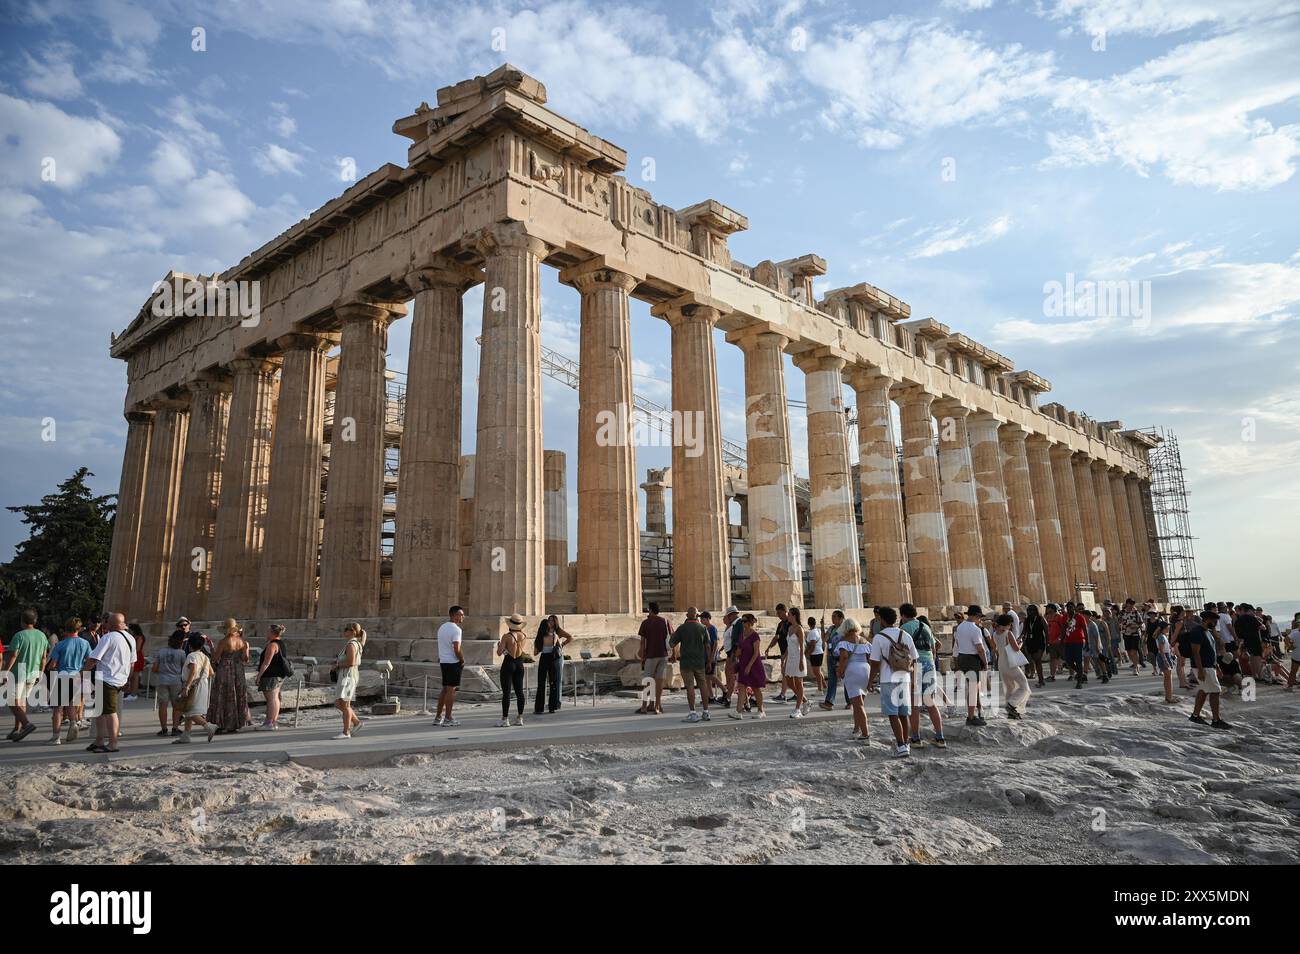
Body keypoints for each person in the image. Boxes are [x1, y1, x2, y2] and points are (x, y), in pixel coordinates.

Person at [81, 612, 135, 753]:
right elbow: (132, 662)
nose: (104, 624)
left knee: (110, 712)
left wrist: (82, 673)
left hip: (107, 679)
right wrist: (128, 679)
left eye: (106, 622)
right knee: (99, 711)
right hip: (118, 679)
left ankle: (113, 743)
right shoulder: (130, 638)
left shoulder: (108, 637)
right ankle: (99, 741)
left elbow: (94, 659)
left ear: (111, 624)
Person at [869, 607, 917, 757]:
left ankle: (900, 745)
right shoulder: (905, 635)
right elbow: (914, 658)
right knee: (904, 714)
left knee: (893, 714)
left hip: (887, 678)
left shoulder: (879, 637)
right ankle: (906, 745)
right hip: (904, 677)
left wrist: (870, 680)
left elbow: (875, 663)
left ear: (882, 619)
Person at [899, 604, 945, 748]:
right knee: (930, 702)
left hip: (916, 665)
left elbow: (901, 649)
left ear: (903, 615)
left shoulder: (905, 628)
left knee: (914, 704)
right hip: (929, 663)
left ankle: (915, 738)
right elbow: (933, 647)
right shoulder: (925, 626)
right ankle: (940, 737)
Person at [6, 608, 48, 742]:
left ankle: (26, 724)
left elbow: (13, 655)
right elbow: (44, 657)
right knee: (22, 701)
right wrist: (41, 672)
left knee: (13, 701)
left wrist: (5, 671)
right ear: (35, 621)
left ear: (22, 621)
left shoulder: (19, 635)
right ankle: (17, 729)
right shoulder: (42, 636)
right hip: (33, 673)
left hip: (19, 673)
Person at [46, 618, 91, 745]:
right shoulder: (85, 643)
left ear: (66, 629)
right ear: (79, 629)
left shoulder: (60, 644)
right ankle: (73, 723)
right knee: (71, 703)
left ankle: (56, 737)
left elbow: (53, 664)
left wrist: (51, 668)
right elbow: (90, 660)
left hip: (63, 676)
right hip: (77, 676)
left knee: (57, 709)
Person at [207, 619, 250, 734]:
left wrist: (211, 649)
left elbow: (215, 658)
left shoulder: (224, 641)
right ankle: (235, 723)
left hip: (225, 669)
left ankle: (222, 724)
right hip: (239, 670)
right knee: (237, 694)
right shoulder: (243, 642)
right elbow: (246, 659)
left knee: (223, 694)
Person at [1188, 611, 1231, 729]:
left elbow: (1211, 650)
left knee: (1204, 689)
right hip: (1203, 667)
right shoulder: (1197, 632)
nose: (1216, 623)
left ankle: (1195, 716)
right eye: (1214, 621)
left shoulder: (1208, 632)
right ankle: (1216, 720)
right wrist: (1201, 670)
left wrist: (1216, 666)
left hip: (1209, 666)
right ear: (1207, 620)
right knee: (1215, 691)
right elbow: (1195, 653)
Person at [173, 633, 217, 743]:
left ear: (190, 645)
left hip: (193, 686)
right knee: (189, 710)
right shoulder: (205, 657)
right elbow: (211, 673)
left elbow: (193, 671)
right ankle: (186, 735)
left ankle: (209, 726)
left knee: (191, 712)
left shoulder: (192, 656)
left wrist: (186, 687)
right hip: (203, 685)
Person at [670, 607, 712, 722]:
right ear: (697, 616)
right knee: (703, 686)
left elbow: (671, 643)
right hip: (700, 662)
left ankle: (693, 713)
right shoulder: (703, 628)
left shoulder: (682, 628)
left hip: (686, 662)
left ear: (687, 615)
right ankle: (706, 712)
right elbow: (708, 646)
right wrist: (709, 661)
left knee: (690, 687)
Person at [953, 605, 990, 726]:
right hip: (972, 658)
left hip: (962, 657)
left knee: (972, 687)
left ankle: (973, 713)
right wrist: (985, 662)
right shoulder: (975, 629)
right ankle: (971, 716)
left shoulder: (960, 627)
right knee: (974, 689)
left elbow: (957, 643)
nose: (980, 620)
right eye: (980, 617)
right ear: (976, 616)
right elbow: (980, 648)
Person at [836, 617, 872, 741]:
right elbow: (870, 658)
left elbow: (844, 657)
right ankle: (856, 728)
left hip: (853, 671)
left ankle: (865, 734)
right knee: (858, 703)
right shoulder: (865, 641)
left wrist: (840, 671)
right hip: (865, 670)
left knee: (858, 705)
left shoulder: (844, 642)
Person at [993, 612, 1032, 719]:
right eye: (1010, 624)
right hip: (1010, 664)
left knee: (1010, 687)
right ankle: (1012, 704)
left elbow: (1000, 647)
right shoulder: (1008, 633)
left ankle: (1011, 712)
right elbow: (1016, 648)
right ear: (1007, 624)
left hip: (1001, 663)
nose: (1011, 626)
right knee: (1024, 686)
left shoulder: (995, 634)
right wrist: (1021, 642)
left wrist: (1016, 641)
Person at [637, 602, 673, 715]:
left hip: (651, 655)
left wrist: (642, 657)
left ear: (650, 610)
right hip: (663, 655)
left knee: (648, 681)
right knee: (659, 681)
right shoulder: (665, 621)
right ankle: (657, 705)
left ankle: (644, 706)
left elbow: (642, 643)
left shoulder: (645, 623)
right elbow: (672, 638)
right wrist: (675, 655)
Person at [729, 614, 767, 720]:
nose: (743, 623)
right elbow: (740, 648)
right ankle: (738, 711)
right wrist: (736, 655)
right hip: (743, 663)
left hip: (754, 665)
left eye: (744, 621)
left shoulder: (755, 636)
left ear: (750, 622)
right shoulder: (742, 634)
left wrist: (749, 666)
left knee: (756, 688)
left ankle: (761, 710)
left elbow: (756, 653)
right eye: (742, 621)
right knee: (742, 687)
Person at [333, 623, 366, 739]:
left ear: (352, 631)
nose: (344, 631)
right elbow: (363, 641)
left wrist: (337, 665)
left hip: (348, 675)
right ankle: (356, 722)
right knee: (339, 703)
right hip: (347, 675)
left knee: (345, 704)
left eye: (346, 629)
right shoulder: (356, 643)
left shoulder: (351, 644)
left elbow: (351, 662)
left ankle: (346, 732)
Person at [533, 614, 571, 715]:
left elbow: (535, 653)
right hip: (553, 659)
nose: (550, 623)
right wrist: (560, 645)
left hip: (544, 658)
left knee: (541, 683)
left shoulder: (539, 637)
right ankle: (552, 707)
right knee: (553, 683)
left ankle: (539, 708)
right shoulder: (555, 635)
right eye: (549, 622)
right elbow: (559, 647)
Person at [255, 623, 290, 730]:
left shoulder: (272, 645)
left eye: (267, 631)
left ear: (271, 633)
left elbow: (266, 662)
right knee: (275, 698)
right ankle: (273, 722)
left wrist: (259, 676)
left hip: (271, 675)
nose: (266, 633)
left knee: (271, 699)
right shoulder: (281, 643)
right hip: (278, 675)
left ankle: (269, 723)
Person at [152, 631, 187, 736]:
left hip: (162, 679)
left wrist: (163, 671)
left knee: (163, 705)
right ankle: (175, 728)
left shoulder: (161, 651)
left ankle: (164, 729)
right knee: (177, 706)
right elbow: (184, 669)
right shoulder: (181, 653)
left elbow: (154, 668)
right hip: (176, 680)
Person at [435, 607, 465, 726]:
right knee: (451, 690)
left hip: (443, 661)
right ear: (454, 615)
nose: (463, 617)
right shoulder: (456, 629)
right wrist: (462, 659)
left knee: (445, 689)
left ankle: (438, 717)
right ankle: (448, 718)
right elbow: (456, 648)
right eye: (461, 615)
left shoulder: (442, 627)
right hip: (453, 662)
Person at [496, 614, 528, 727]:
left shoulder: (506, 636)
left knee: (507, 693)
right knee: (520, 691)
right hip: (519, 663)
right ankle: (520, 717)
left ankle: (505, 718)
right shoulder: (524, 635)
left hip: (509, 663)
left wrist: (499, 646)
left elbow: (500, 653)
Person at [820, 609, 848, 711]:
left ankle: (850, 701)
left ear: (841, 618)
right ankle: (829, 702)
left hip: (841, 657)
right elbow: (824, 639)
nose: (832, 619)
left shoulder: (845, 629)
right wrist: (822, 627)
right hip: (831, 656)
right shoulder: (831, 629)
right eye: (832, 616)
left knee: (845, 680)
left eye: (835, 617)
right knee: (832, 680)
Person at [782, 607, 808, 716]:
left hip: (798, 657)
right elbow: (789, 645)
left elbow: (802, 646)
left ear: (794, 616)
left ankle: (798, 709)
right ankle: (806, 701)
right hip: (790, 658)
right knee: (789, 681)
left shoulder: (799, 629)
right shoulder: (790, 628)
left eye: (789, 615)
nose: (787, 616)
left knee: (798, 682)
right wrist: (784, 657)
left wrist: (801, 661)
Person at [764, 604, 790, 702]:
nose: (778, 615)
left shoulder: (790, 623)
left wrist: (786, 655)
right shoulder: (780, 624)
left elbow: (792, 640)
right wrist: (769, 647)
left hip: (789, 653)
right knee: (787, 674)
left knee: (786, 673)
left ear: (784, 611)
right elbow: (777, 637)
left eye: (779, 613)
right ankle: (796, 694)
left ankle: (783, 695)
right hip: (783, 651)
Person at [1061, 601, 1088, 689]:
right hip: (1068, 641)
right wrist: (1061, 641)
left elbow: (1085, 630)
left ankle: (1079, 682)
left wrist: (1087, 643)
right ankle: (1081, 673)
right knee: (1068, 661)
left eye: (1071, 607)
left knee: (1078, 661)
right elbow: (1063, 630)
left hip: (1078, 641)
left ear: (1074, 608)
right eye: (1067, 607)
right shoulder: (1064, 617)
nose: (1069, 609)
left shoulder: (1080, 617)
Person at [719, 607, 741, 708]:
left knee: (732, 676)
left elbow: (736, 641)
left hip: (734, 654)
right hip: (731, 653)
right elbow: (730, 640)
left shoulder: (737, 624)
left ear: (732, 615)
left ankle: (728, 698)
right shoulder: (733, 625)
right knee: (729, 675)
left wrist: (733, 655)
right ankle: (728, 697)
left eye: (728, 616)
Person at [1021, 604, 1047, 687]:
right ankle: (1040, 679)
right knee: (1033, 660)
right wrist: (1019, 639)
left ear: (1036, 611)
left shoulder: (1040, 618)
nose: (1030, 612)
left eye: (1032, 610)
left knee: (1038, 660)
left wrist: (1048, 643)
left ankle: (1041, 680)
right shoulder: (1027, 620)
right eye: (1028, 610)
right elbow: (1024, 632)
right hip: (1030, 642)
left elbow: (1047, 631)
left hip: (1039, 641)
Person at [1118, 599, 1144, 673]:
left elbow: (1141, 623)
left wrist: (1135, 626)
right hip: (1126, 633)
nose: (1131, 605)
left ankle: (1136, 667)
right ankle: (1136, 663)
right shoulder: (1122, 613)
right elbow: (1119, 622)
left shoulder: (1136, 612)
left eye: (1133, 604)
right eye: (1130, 603)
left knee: (1134, 651)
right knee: (1129, 651)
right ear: (1126, 604)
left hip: (1135, 633)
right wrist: (1122, 627)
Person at [124, 622, 146, 700]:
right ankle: (131, 691)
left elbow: (137, 649)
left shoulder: (139, 637)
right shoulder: (134, 636)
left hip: (137, 656)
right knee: (132, 676)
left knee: (135, 676)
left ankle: (134, 694)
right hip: (134, 656)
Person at [805, 616, 825, 694]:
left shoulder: (812, 632)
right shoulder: (818, 630)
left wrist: (808, 654)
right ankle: (824, 686)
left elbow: (812, 645)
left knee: (817, 673)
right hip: (819, 652)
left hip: (815, 653)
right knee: (819, 672)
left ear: (808, 623)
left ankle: (820, 689)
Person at [1044, 603, 1064, 681]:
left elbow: (1063, 628)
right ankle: (1052, 676)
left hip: (1059, 642)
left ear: (1052, 608)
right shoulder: (1047, 617)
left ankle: (1074, 674)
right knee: (1052, 659)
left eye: (1048, 608)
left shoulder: (1059, 617)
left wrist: (1059, 638)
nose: (1046, 609)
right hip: (1051, 642)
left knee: (1066, 658)